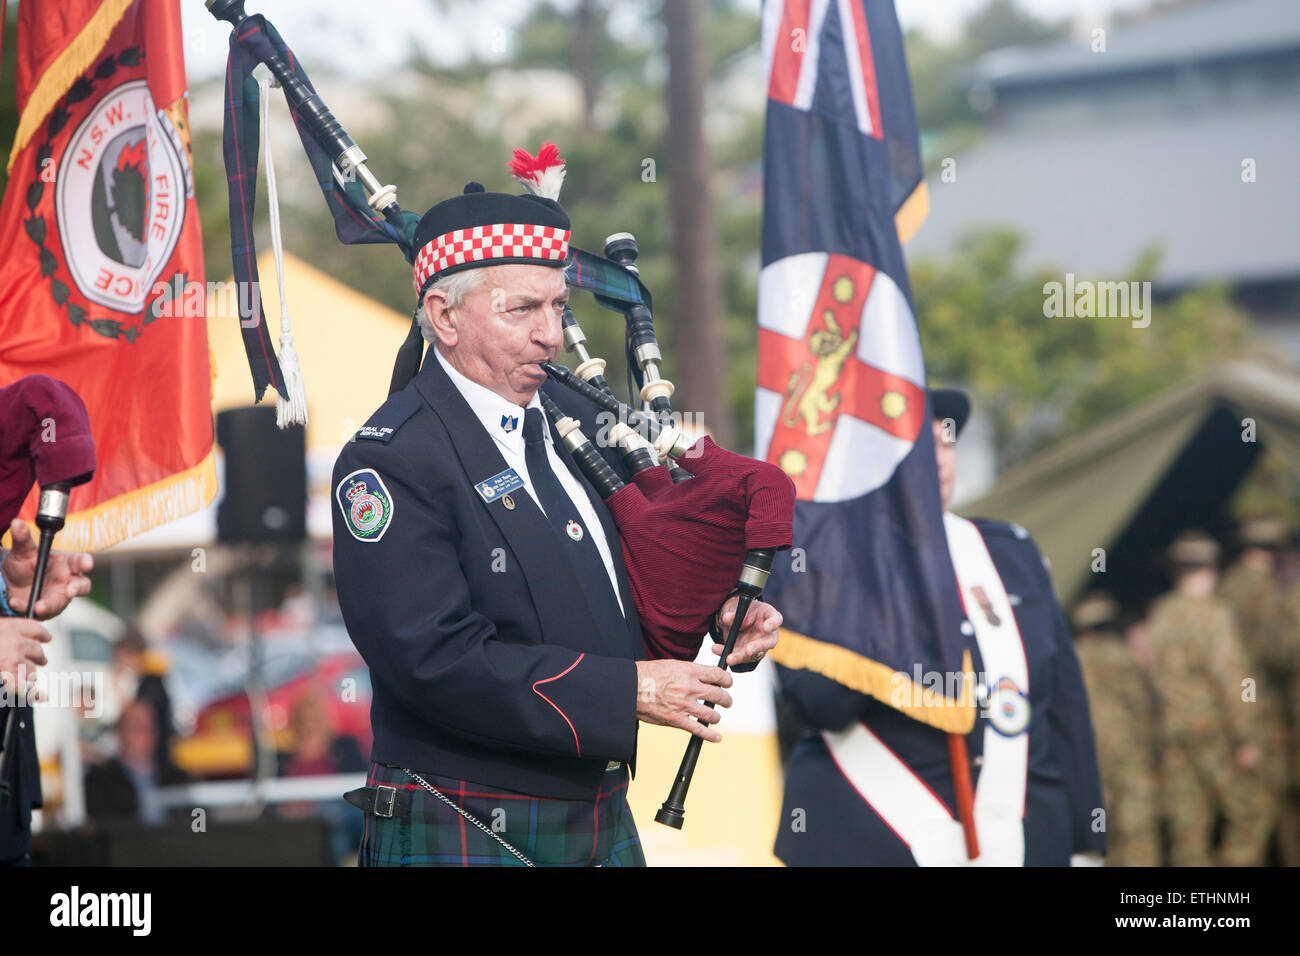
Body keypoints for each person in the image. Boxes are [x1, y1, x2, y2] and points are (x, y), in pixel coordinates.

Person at [332, 160, 781, 866]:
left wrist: (717, 610)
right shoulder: (391, 461)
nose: (550, 334)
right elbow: (432, 659)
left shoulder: (577, 421)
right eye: (522, 310)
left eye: (556, 307)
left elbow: (628, 577)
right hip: (465, 813)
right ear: (444, 317)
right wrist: (628, 689)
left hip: (598, 807)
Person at [774, 388, 1105, 866]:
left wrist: (1085, 842)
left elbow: (1064, 706)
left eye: (946, 444)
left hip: (1027, 840)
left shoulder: (1010, 550)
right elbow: (821, 704)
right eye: (916, 448)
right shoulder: (821, 562)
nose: (940, 460)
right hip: (871, 843)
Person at [1147, 530, 1272, 866]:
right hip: (1214, 731)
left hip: (1173, 731)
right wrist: (1247, 734)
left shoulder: (1159, 615)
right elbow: (1237, 679)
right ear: (1212, 569)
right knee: (1252, 811)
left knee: (1189, 824)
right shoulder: (1216, 615)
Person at [1071, 592, 1160, 866]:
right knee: (1137, 830)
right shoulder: (1120, 654)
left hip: (1086, 755)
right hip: (1127, 750)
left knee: (1097, 831)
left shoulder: (1070, 656)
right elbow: (1143, 704)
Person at [83, 697, 189, 826]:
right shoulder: (99, 782)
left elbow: (197, 822)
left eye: (148, 727)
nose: (142, 735)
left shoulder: (178, 778)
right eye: (135, 727)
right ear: (120, 732)